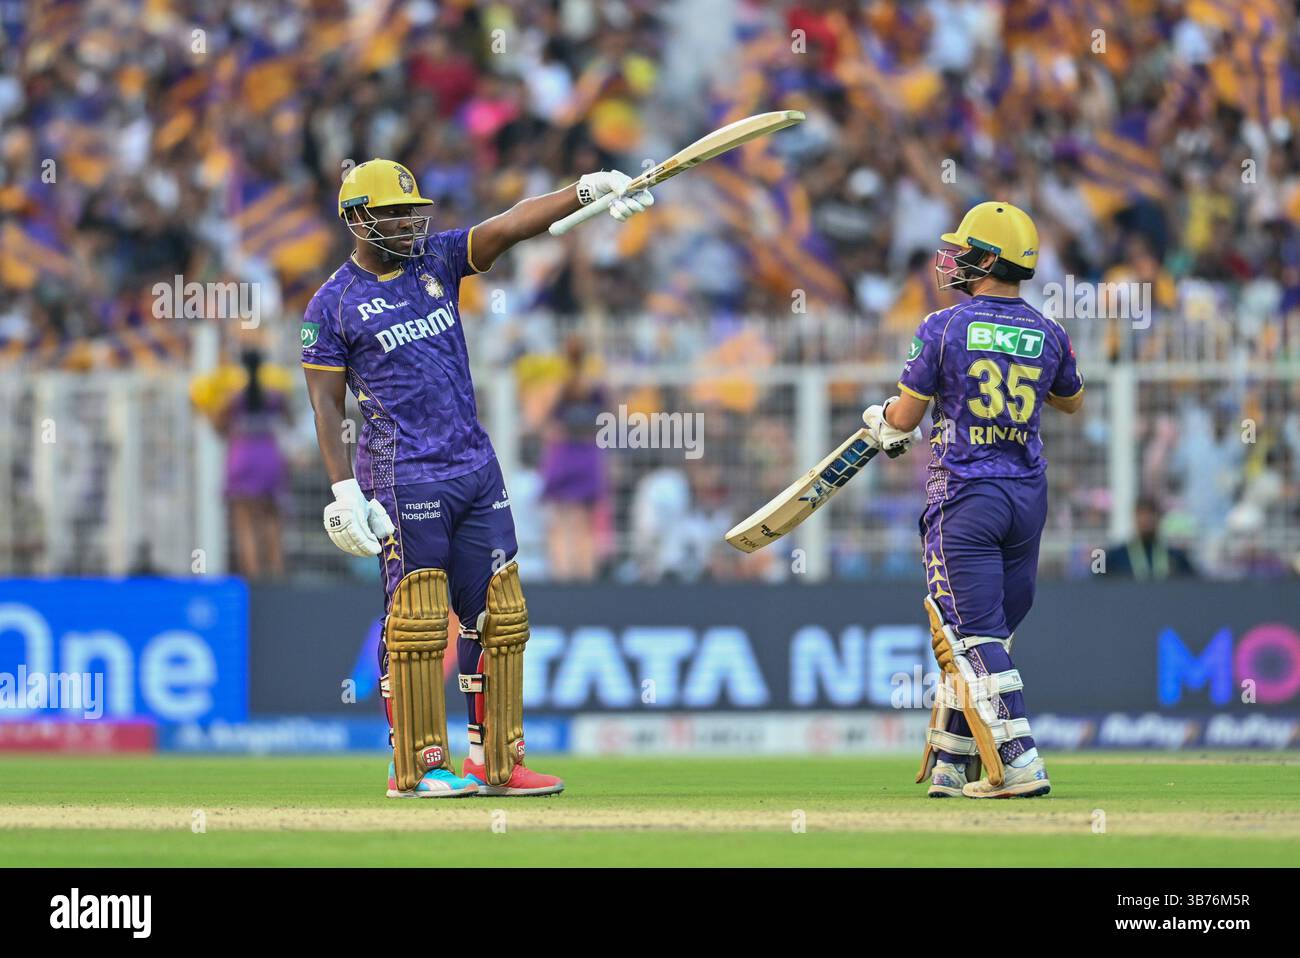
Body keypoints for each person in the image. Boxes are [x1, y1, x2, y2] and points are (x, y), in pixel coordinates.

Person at [301, 159, 651, 798]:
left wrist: (585, 191)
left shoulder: (434, 260)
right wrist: (343, 490)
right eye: (393, 214)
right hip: (403, 477)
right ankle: (415, 764)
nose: (409, 222)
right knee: (416, 621)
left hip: (475, 467)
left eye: (414, 211)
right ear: (357, 219)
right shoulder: (332, 304)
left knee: (500, 617)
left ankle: (496, 762)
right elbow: (325, 404)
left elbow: (511, 225)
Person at [861, 201, 1085, 799]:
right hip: (1027, 497)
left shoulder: (944, 325)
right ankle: (953, 762)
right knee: (989, 634)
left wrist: (882, 420)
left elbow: (905, 417)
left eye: (965, 251)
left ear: (988, 259)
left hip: (964, 496)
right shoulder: (1049, 330)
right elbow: (1070, 400)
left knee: (968, 636)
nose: (955, 261)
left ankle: (1019, 762)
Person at [538, 334, 608, 581]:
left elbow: (543, 420)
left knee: (567, 521)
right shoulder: (586, 384)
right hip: (577, 453)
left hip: (570, 454)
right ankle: (574, 575)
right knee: (576, 522)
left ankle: (570, 576)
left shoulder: (571, 385)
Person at [1104, 496, 1196, 578]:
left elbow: (1197, 584)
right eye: (1142, 515)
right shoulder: (1115, 557)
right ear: (1134, 518)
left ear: (1159, 519)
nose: (1146, 520)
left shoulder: (1176, 557)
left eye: (1151, 514)